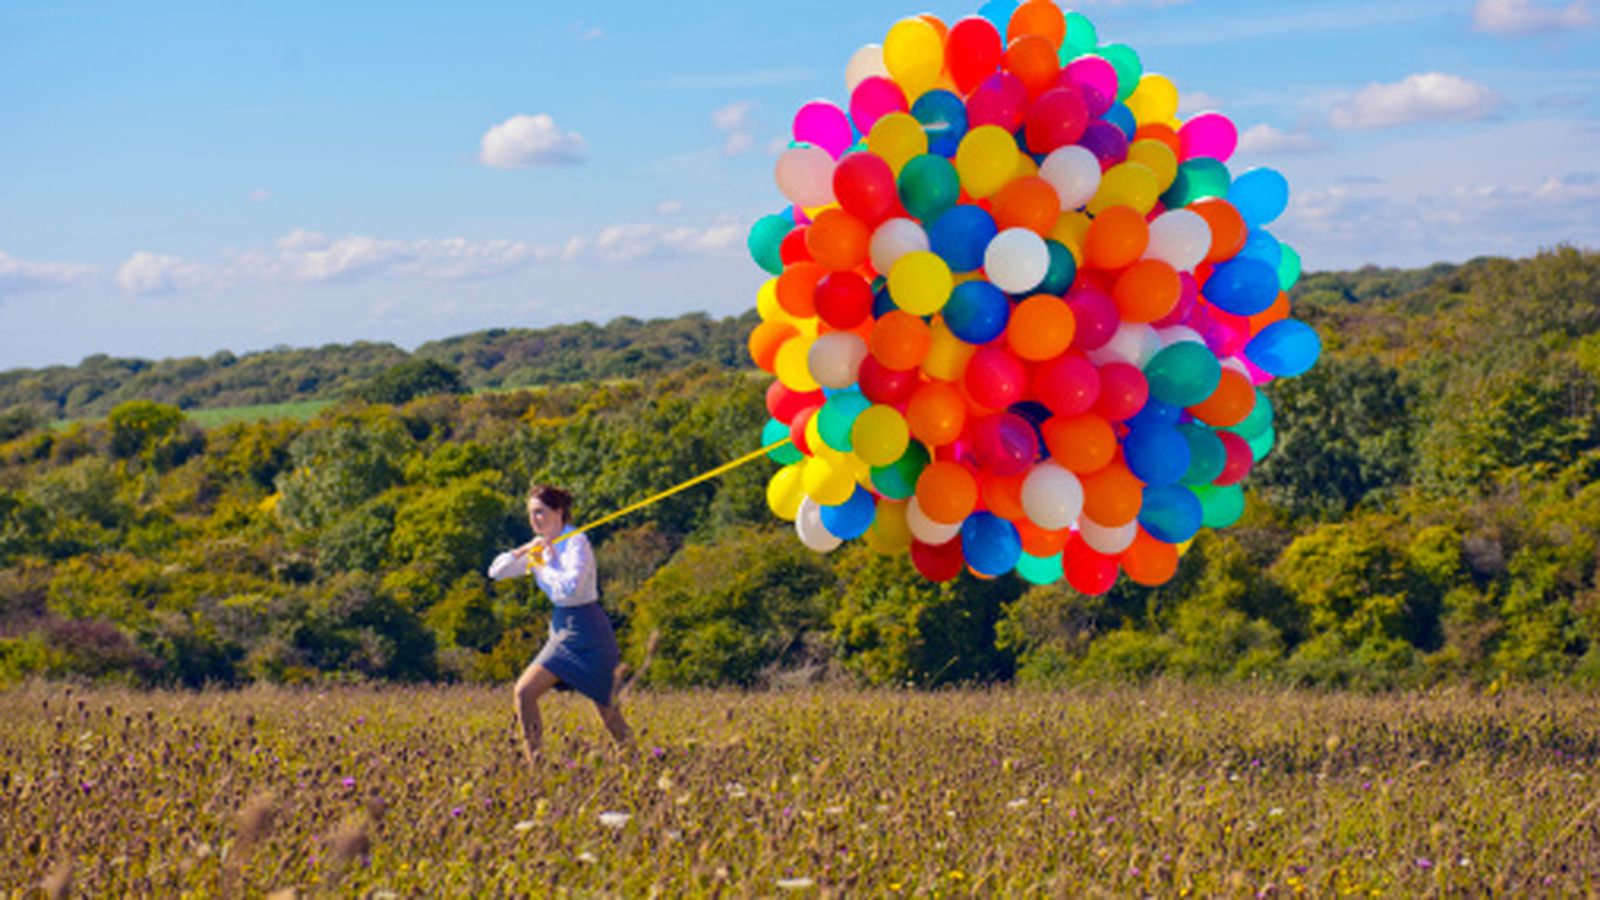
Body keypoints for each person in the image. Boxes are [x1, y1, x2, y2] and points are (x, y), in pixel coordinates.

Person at [488, 484, 631, 764]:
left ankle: (636, 760)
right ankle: (537, 764)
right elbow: (496, 572)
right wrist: (524, 551)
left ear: (559, 512)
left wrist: (544, 564)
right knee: (524, 692)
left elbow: (571, 588)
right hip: (562, 630)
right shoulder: (538, 545)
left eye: (540, 512)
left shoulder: (577, 542)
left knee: (608, 711)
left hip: (589, 630)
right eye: (531, 514)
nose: (534, 519)